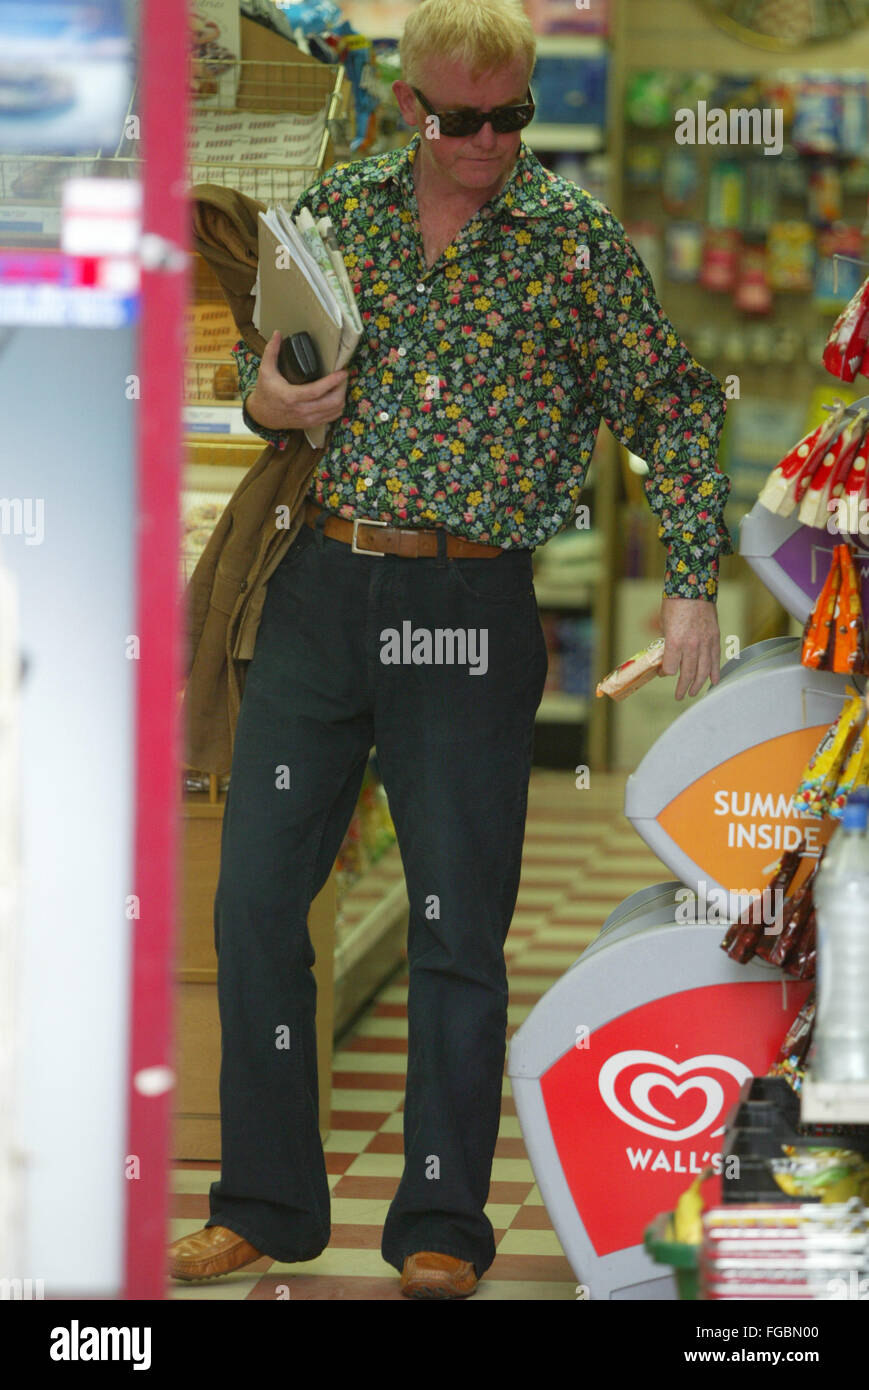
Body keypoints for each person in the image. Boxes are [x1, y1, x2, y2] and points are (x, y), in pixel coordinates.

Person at [168, 0, 731, 1299]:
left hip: (469, 614)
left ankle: (440, 1221)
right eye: (461, 119)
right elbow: (266, 384)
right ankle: (261, 1201)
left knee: (455, 926)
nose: (488, 145)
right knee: (254, 901)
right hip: (321, 590)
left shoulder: (575, 247)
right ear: (411, 104)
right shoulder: (342, 213)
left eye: (512, 118)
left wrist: (688, 586)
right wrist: (265, 398)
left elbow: (678, 409)